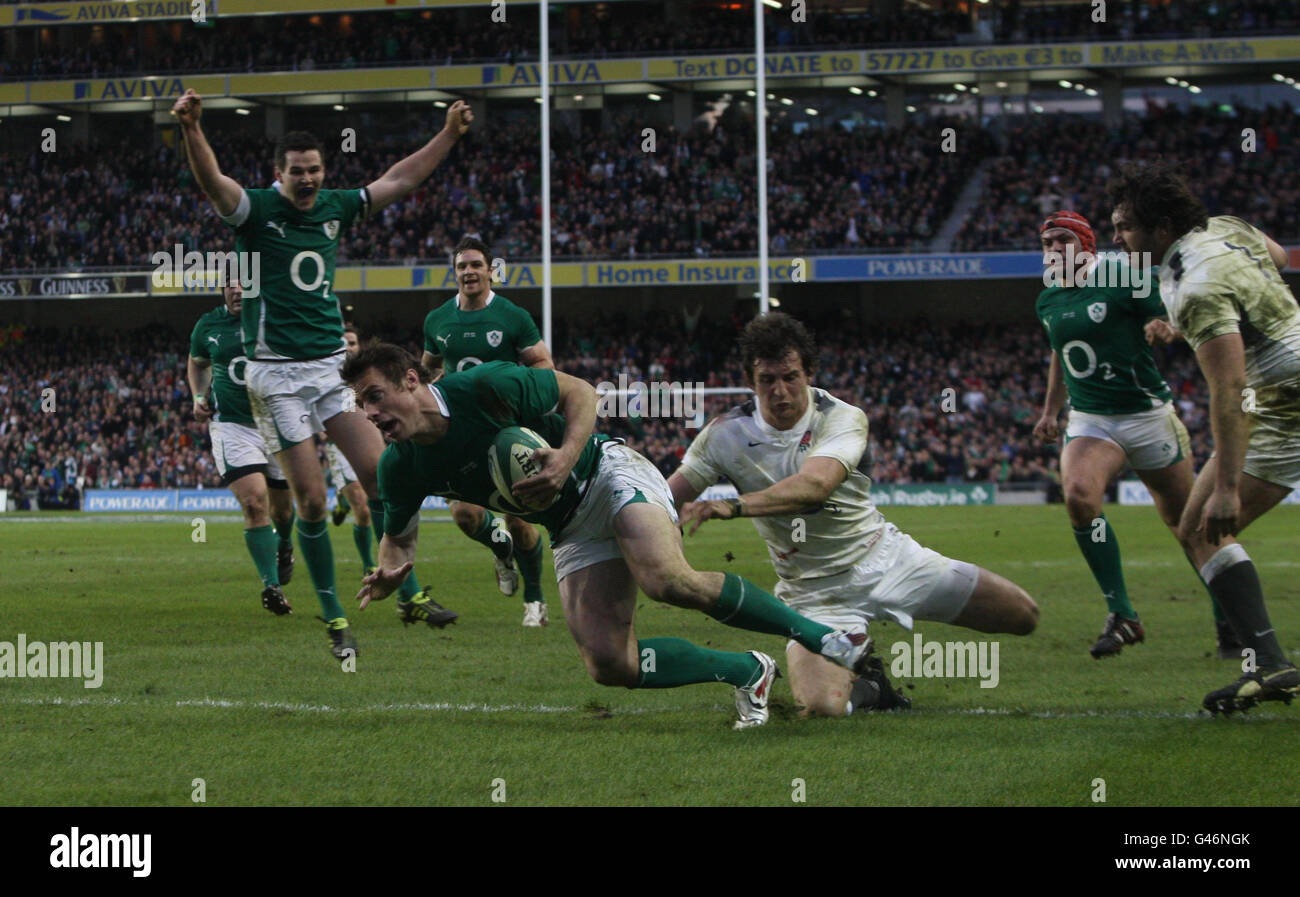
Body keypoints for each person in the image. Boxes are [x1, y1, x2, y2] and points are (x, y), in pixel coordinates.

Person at [342, 345, 877, 729]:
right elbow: (399, 538)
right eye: (360, 404)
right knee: (608, 664)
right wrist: (391, 570)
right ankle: (747, 670)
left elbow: (581, 392)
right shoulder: (399, 467)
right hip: (568, 525)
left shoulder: (482, 387)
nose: (369, 413)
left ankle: (822, 637)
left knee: (665, 579)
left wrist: (565, 458)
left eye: (374, 396)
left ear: (411, 380)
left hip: (606, 471)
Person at [171, 88, 465, 660]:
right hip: (274, 378)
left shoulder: (334, 206)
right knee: (308, 501)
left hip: (331, 369)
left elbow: (401, 179)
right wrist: (192, 129)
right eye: (296, 172)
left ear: (323, 171)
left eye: (314, 170)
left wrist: (450, 134)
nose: (306, 180)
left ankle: (402, 583)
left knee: (383, 477)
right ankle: (334, 618)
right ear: (277, 173)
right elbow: (213, 183)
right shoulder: (256, 211)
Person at [667, 313, 1039, 718]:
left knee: (1023, 616)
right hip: (812, 594)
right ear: (750, 381)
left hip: (887, 560)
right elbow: (667, 498)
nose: (780, 391)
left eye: (791, 377)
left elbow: (814, 487)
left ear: (809, 372)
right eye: (767, 380)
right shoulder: (724, 434)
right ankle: (870, 687)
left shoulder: (841, 416)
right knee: (824, 709)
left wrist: (734, 505)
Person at [1108, 159, 1299, 713]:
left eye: (1125, 227)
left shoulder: (1196, 287)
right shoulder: (1228, 228)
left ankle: (1270, 664)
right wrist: (1187, 324)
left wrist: (1227, 486)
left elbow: (1230, 388)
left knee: (1202, 525)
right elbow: (1278, 258)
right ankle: (1268, 661)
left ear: (1161, 228)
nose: (1116, 238)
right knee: (1195, 529)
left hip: (1283, 404)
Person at [1031, 211, 1239, 659]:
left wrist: (1169, 327)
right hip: (1091, 419)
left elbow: (1177, 312)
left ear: (1085, 244)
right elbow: (1059, 354)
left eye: (1061, 240)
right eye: (1046, 243)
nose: (1052, 249)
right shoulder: (1048, 299)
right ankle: (1123, 613)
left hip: (1146, 414)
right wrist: (1051, 410)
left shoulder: (1125, 274)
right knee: (1079, 497)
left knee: (1187, 524)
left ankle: (1228, 616)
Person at [421, 236, 553, 627]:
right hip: (459, 431)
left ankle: (535, 601)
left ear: (491, 270)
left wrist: (519, 392)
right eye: (462, 266)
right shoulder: (437, 320)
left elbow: (543, 364)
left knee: (520, 517)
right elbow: (426, 369)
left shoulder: (513, 316)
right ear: (455, 271)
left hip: (505, 428)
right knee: (464, 515)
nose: (469, 272)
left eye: (476, 265)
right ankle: (500, 549)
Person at [188, 279, 296, 615]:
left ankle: (284, 543)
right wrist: (198, 396)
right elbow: (197, 361)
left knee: (283, 511)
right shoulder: (209, 325)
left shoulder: (274, 317)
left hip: (276, 424)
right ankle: (271, 586)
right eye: (229, 287)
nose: (236, 292)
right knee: (253, 502)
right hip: (232, 425)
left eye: (244, 285)